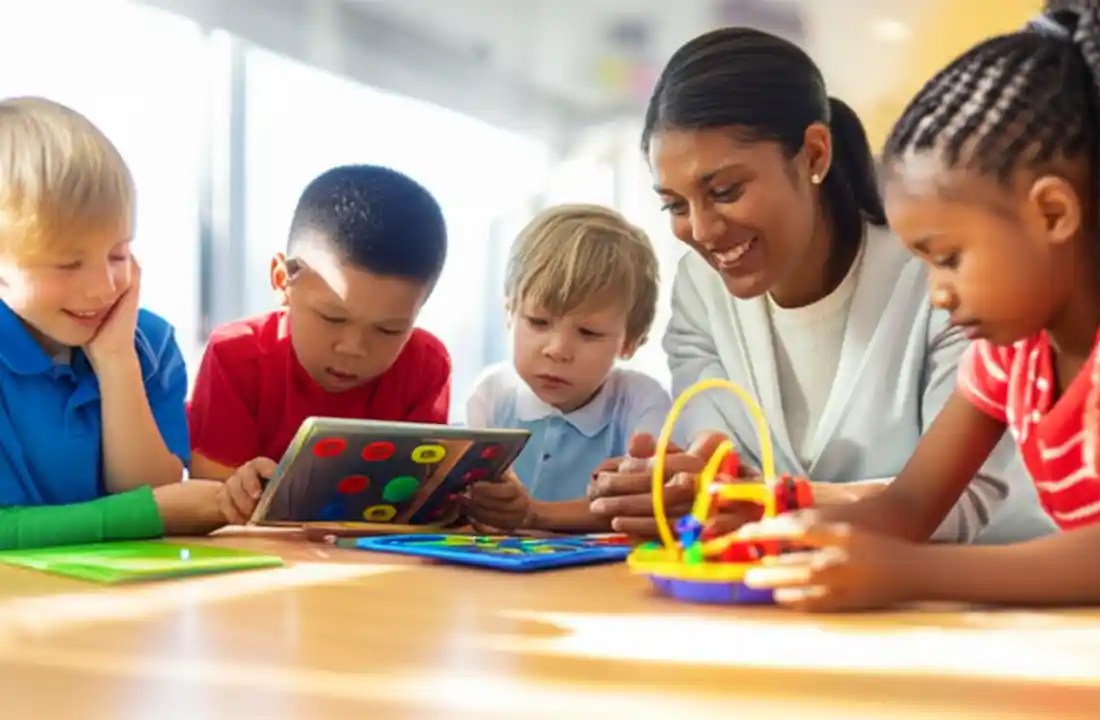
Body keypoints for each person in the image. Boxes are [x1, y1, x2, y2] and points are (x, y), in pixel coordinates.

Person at [738, 0, 1100, 611]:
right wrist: (783, 540)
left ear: (1052, 213)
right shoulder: (1011, 356)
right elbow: (910, 506)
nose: (937, 292)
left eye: (948, 257)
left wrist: (906, 572)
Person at [588, 26, 1054, 543]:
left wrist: (762, 499)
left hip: (985, 595)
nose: (700, 231)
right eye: (674, 205)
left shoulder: (940, 272)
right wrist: (676, 487)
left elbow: (956, 503)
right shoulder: (700, 290)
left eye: (724, 190)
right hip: (809, 595)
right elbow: (724, 480)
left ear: (814, 155)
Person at [0, 96, 223, 549]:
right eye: (67, 264)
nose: (103, 288)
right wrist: (146, 515)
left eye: (118, 253)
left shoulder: (150, 343)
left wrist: (117, 360)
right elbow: (156, 506)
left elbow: (147, 487)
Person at [187, 165, 459, 523]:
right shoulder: (235, 355)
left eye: (389, 330)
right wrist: (235, 490)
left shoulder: (427, 363)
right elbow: (211, 498)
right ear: (282, 280)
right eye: (333, 318)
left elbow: (421, 499)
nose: (353, 348)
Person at [464, 204, 671, 531]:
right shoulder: (490, 396)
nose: (557, 350)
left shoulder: (641, 400)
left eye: (588, 333)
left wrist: (533, 513)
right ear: (509, 312)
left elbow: (644, 503)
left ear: (630, 341)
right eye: (538, 321)